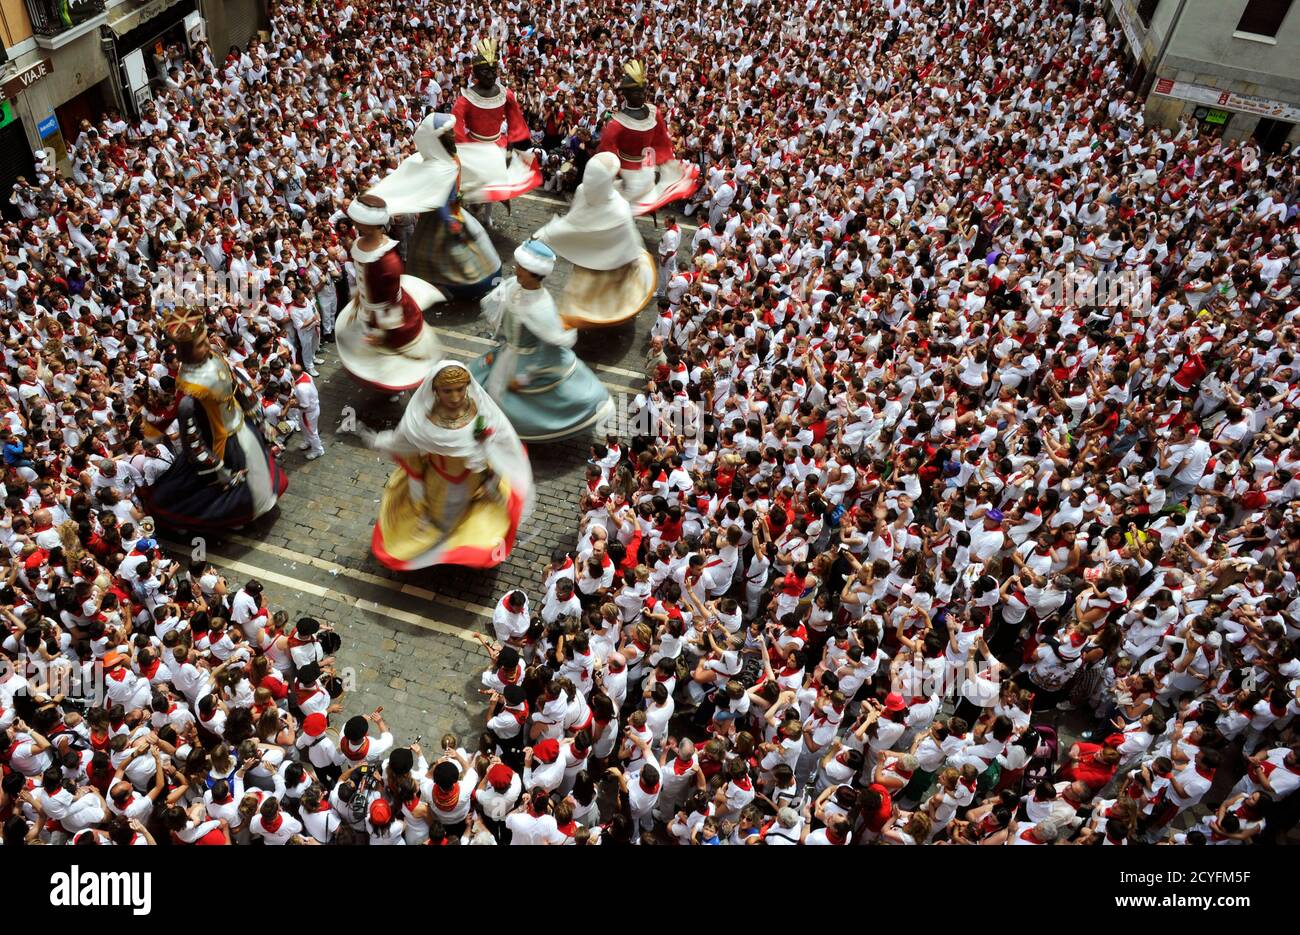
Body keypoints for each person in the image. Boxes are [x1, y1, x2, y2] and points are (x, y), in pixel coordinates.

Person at [356, 360, 533, 569]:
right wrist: (379, 441)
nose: (455, 397)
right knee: (439, 519)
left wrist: (489, 468)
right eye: (447, 391)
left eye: (460, 389)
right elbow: (401, 442)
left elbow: (502, 441)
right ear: (435, 390)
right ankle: (433, 551)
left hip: (473, 482)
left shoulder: (483, 413)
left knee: (468, 518)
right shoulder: (419, 421)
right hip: (437, 482)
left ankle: (459, 549)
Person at [138, 307, 287, 529]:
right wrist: (221, 471)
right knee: (231, 494)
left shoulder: (217, 357)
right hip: (222, 444)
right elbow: (192, 439)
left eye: (205, 339)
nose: (207, 345)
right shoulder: (189, 390)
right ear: (186, 351)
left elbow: (241, 389)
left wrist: (261, 422)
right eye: (200, 345)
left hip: (242, 427)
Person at [469, 240, 614, 442]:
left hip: (524, 361)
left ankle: (499, 436)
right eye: (518, 266)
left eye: (522, 268)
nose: (516, 269)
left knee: (504, 400)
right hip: (509, 351)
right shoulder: (513, 285)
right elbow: (497, 306)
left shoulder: (541, 308)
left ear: (534, 273)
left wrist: (526, 377)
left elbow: (548, 348)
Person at [371, 113, 502, 299]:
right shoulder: (438, 164)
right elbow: (440, 196)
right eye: (447, 132)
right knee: (442, 254)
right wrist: (450, 221)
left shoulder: (449, 156)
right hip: (444, 216)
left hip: (453, 210)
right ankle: (441, 288)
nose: (452, 134)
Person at [333, 194, 444, 393]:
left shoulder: (387, 262)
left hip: (388, 318)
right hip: (367, 308)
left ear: (370, 224)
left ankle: (406, 388)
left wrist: (382, 331)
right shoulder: (361, 242)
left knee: (392, 361)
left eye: (359, 220)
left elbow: (391, 303)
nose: (354, 223)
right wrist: (359, 297)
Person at [534, 152, 657, 328]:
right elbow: (629, 241)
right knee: (594, 299)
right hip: (604, 263)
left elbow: (571, 223)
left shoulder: (584, 192)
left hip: (595, 262)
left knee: (582, 296)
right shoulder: (618, 208)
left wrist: (547, 233)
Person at [596, 60, 699, 214]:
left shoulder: (653, 112)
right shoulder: (617, 123)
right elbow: (607, 151)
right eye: (637, 92)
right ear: (627, 95)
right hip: (625, 173)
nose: (642, 95)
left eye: (643, 91)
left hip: (647, 169)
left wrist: (659, 166)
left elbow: (661, 142)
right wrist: (617, 173)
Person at [450, 38, 542, 206]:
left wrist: (512, 142)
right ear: (476, 73)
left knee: (499, 186)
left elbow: (515, 119)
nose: (491, 75)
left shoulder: (505, 94)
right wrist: (464, 150)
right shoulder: (465, 100)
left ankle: (489, 211)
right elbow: (456, 128)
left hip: (498, 144)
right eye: (486, 71)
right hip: (474, 146)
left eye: (494, 70)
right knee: (468, 189)